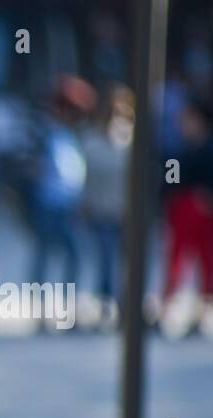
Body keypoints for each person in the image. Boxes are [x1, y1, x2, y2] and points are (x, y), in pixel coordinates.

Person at [25, 75, 94, 334]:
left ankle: (68, 312)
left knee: (72, 257)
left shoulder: (74, 134)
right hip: (47, 204)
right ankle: (41, 314)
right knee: (44, 256)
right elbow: (30, 168)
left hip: (69, 204)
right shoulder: (42, 132)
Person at [160, 97, 213, 337]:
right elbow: (169, 181)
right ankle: (168, 308)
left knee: (207, 263)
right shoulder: (178, 151)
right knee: (176, 261)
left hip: (206, 216)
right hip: (181, 213)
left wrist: (209, 198)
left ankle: (204, 311)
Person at [78, 85, 134, 332]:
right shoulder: (91, 141)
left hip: (125, 212)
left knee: (126, 263)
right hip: (99, 211)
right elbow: (84, 175)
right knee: (106, 259)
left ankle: (123, 308)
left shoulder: (132, 141)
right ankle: (105, 306)